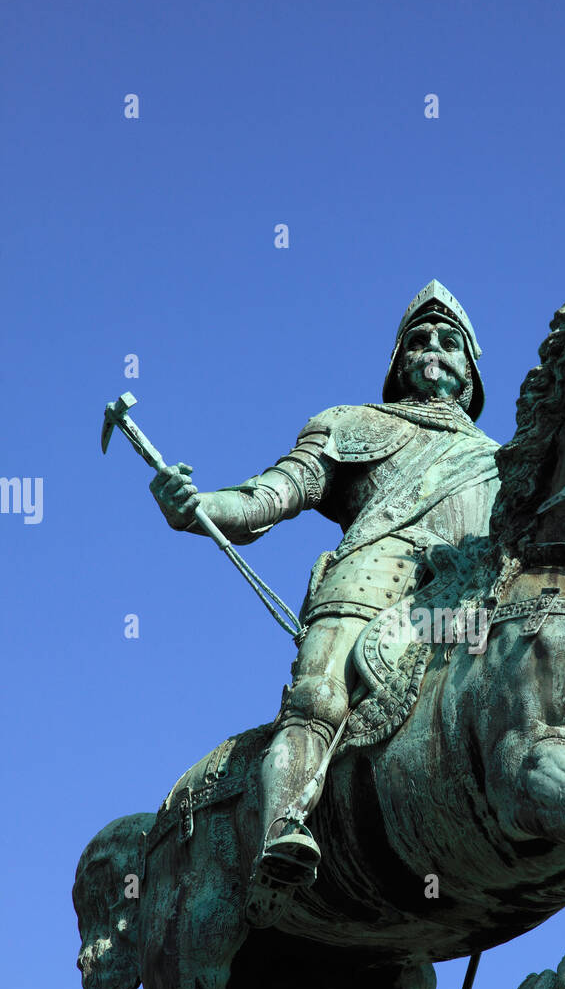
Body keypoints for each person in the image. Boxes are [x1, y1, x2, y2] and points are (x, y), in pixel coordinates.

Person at [150, 280, 500, 922]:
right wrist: (203, 507)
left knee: (550, 689)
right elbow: (274, 493)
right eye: (419, 340)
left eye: (450, 342)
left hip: (470, 600)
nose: (434, 349)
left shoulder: (502, 463)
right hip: (369, 584)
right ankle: (284, 826)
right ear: (397, 363)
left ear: (471, 371)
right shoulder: (351, 424)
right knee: (318, 698)